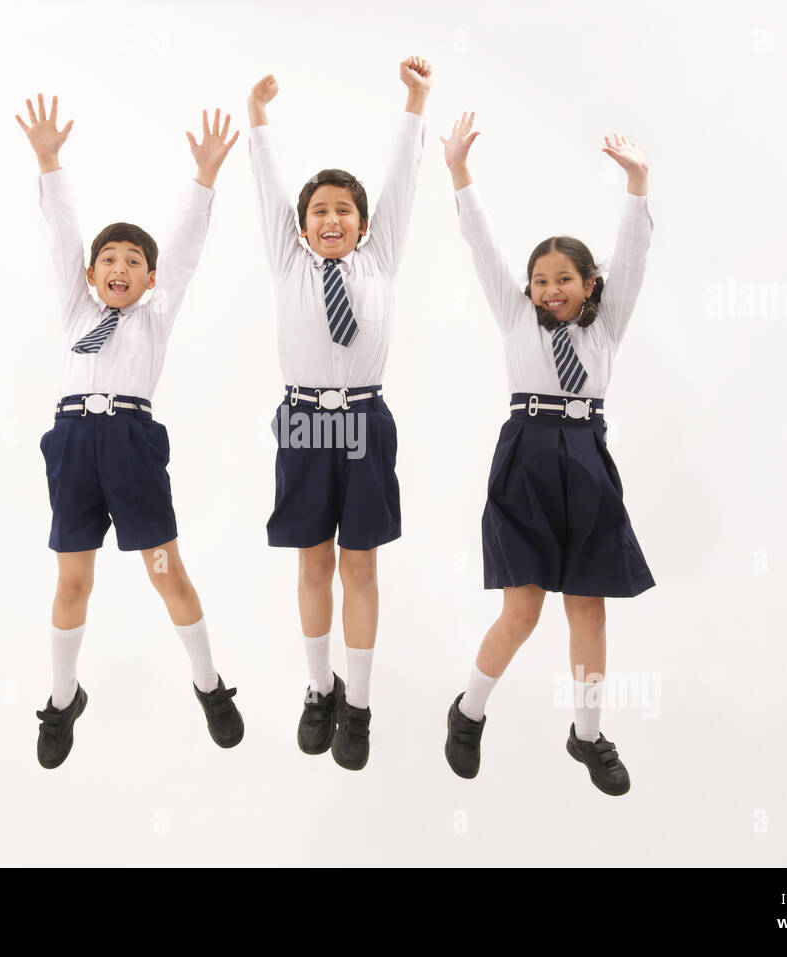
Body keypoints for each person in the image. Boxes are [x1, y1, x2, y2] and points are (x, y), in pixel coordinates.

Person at [15, 93, 244, 769]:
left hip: (132, 444)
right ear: (92, 275)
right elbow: (60, 234)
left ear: (147, 280)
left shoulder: (152, 316)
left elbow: (184, 253)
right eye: (108, 259)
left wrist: (203, 178)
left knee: (166, 569)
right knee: (71, 583)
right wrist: (50, 162)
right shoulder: (74, 308)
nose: (120, 267)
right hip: (71, 446)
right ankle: (62, 698)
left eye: (133, 262)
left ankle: (208, 682)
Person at [441, 112, 655, 794]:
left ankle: (587, 734)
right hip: (526, 459)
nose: (551, 289)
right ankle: (469, 709)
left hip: (586, 460)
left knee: (588, 606)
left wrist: (638, 185)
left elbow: (634, 252)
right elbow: (482, 244)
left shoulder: (605, 327)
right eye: (541, 280)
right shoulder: (515, 318)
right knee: (523, 608)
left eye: (565, 278)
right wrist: (459, 172)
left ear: (590, 285)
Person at [246, 58, 432, 771]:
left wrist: (415, 103)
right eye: (319, 210)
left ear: (363, 224)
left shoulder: (379, 258)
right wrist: (257, 119)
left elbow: (403, 183)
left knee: (360, 563)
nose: (331, 218)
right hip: (301, 421)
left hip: (362, 420)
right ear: (301, 227)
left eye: (344, 210)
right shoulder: (289, 263)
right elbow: (267, 186)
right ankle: (318, 689)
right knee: (313, 561)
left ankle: (357, 703)